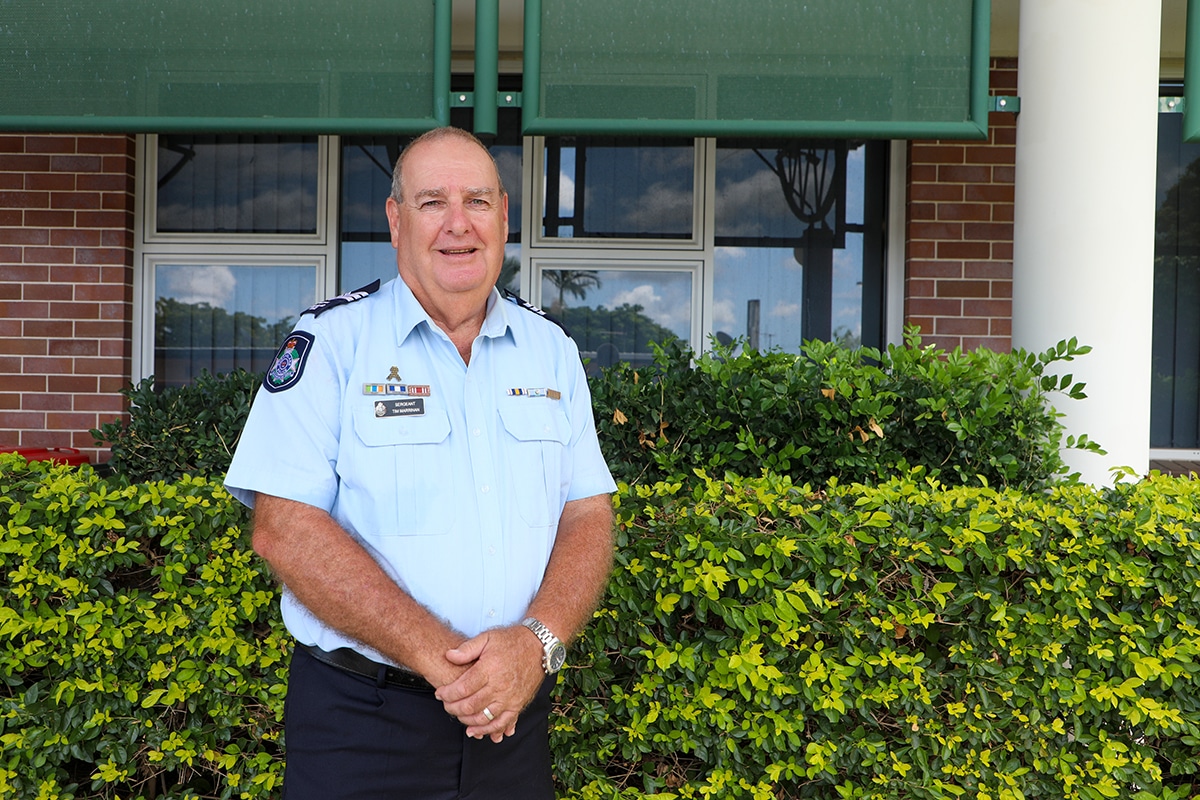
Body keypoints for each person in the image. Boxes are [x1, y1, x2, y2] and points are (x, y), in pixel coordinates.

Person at [224, 126, 617, 799]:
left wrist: (537, 644)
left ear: (504, 217)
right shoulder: (333, 342)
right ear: (395, 219)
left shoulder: (550, 350)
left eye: (478, 201)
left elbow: (586, 515)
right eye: (433, 201)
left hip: (515, 724)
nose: (458, 224)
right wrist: (452, 667)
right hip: (363, 728)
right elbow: (283, 529)